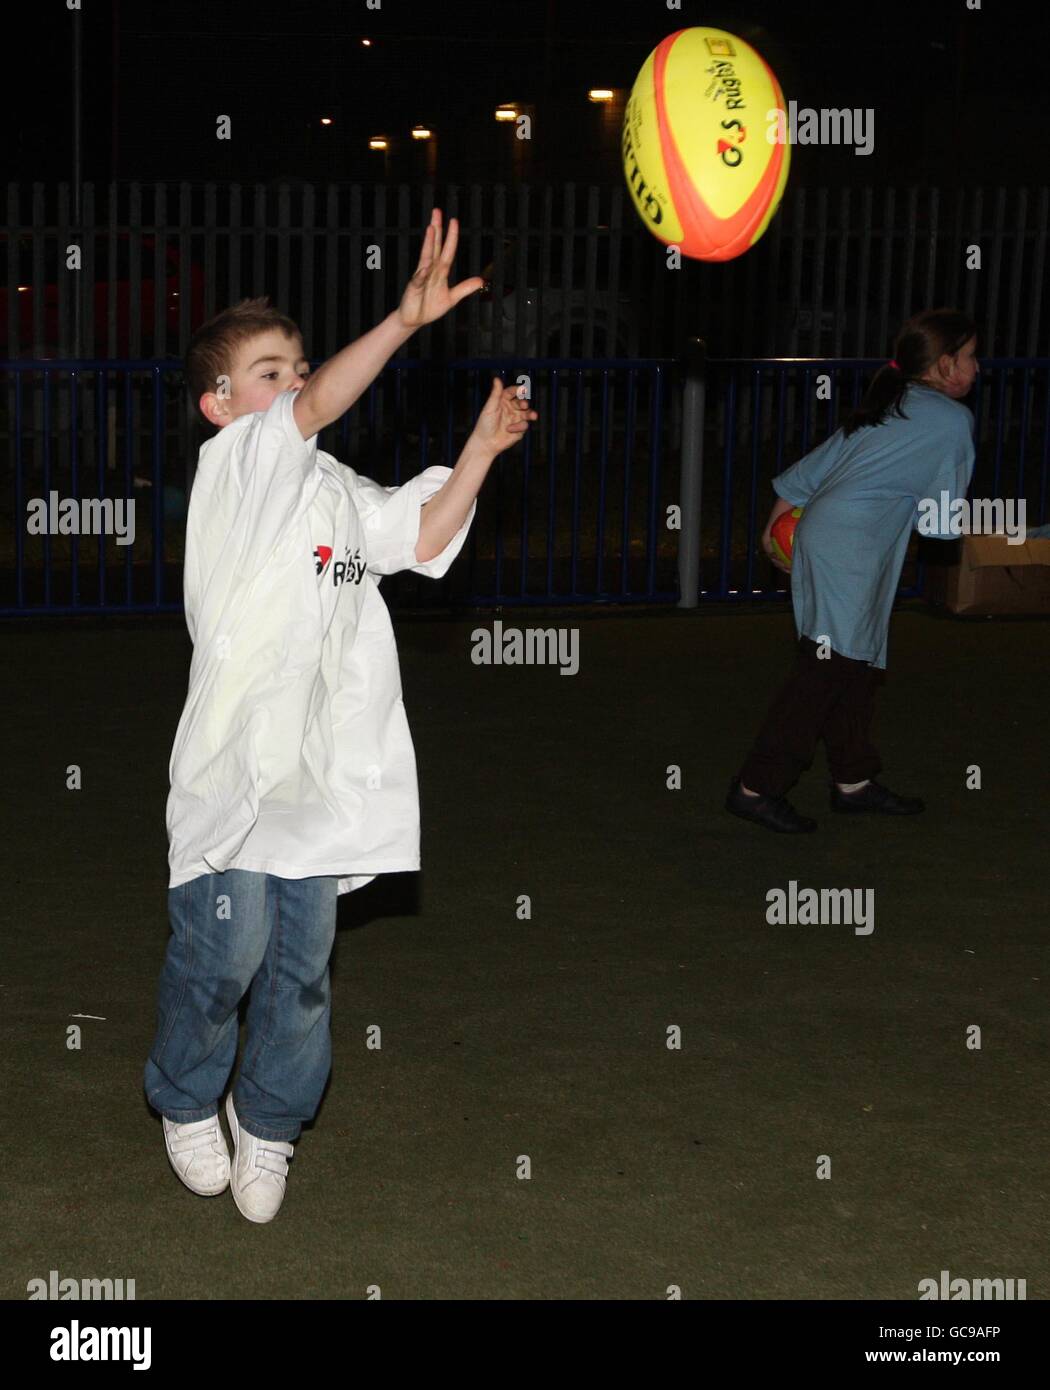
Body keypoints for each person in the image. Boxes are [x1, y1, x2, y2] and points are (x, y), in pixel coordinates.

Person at [144, 210, 538, 1221]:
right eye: (268, 370)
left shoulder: (330, 490)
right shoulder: (235, 469)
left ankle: (270, 1125)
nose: (293, 379)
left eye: (295, 364)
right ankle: (188, 1098)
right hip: (234, 770)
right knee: (224, 952)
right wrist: (405, 322)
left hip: (320, 776)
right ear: (219, 404)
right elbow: (318, 405)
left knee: (303, 965)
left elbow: (417, 530)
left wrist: (482, 451)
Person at [726, 307, 978, 833]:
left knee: (856, 662)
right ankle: (756, 787)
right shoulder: (953, 421)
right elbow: (938, 523)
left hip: (835, 538)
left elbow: (809, 473)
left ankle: (854, 781)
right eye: (972, 357)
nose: (979, 368)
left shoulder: (890, 401)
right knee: (827, 669)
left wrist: (775, 534)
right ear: (946, 364)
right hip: (851, 548)